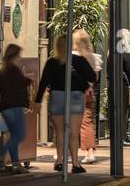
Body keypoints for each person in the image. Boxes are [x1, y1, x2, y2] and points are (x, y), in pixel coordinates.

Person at [35, 34, 97, 173]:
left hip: (57, 96)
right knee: (74, 133)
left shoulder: (52, 62)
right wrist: (80, 80)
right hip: (75, 96)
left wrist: (38, 101)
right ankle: (75, 163)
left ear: (56, 46)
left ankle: (59, 161)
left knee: (60, 132)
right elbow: (92, 76)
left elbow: (44, 81)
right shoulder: (78, 61)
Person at [0, 43, 32, 173]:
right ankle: (0, 155)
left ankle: (16, 165)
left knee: (13, 136)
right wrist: (28, 78)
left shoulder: (2, 71)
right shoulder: (13, 70)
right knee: (19, 135)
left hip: (5, 108)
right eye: (18, 55)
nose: (19, 57)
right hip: (15, 107)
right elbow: (22, 83)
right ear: (14, 55)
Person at [72, 29, 103, 163]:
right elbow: (95, 77)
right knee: (87, 122)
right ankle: (90, 153)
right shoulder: (93, 57)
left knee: (68, 122)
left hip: (75, 93)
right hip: (89, 93)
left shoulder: (74, 56)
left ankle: (66, 151)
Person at [115, 28, 130, 146]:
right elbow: (128, 64)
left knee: (129, 109)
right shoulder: (121, 48)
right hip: (125, 82)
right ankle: (123, 135)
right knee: (125, 109)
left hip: (128, 82)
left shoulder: (126, 47)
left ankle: (126, 134)